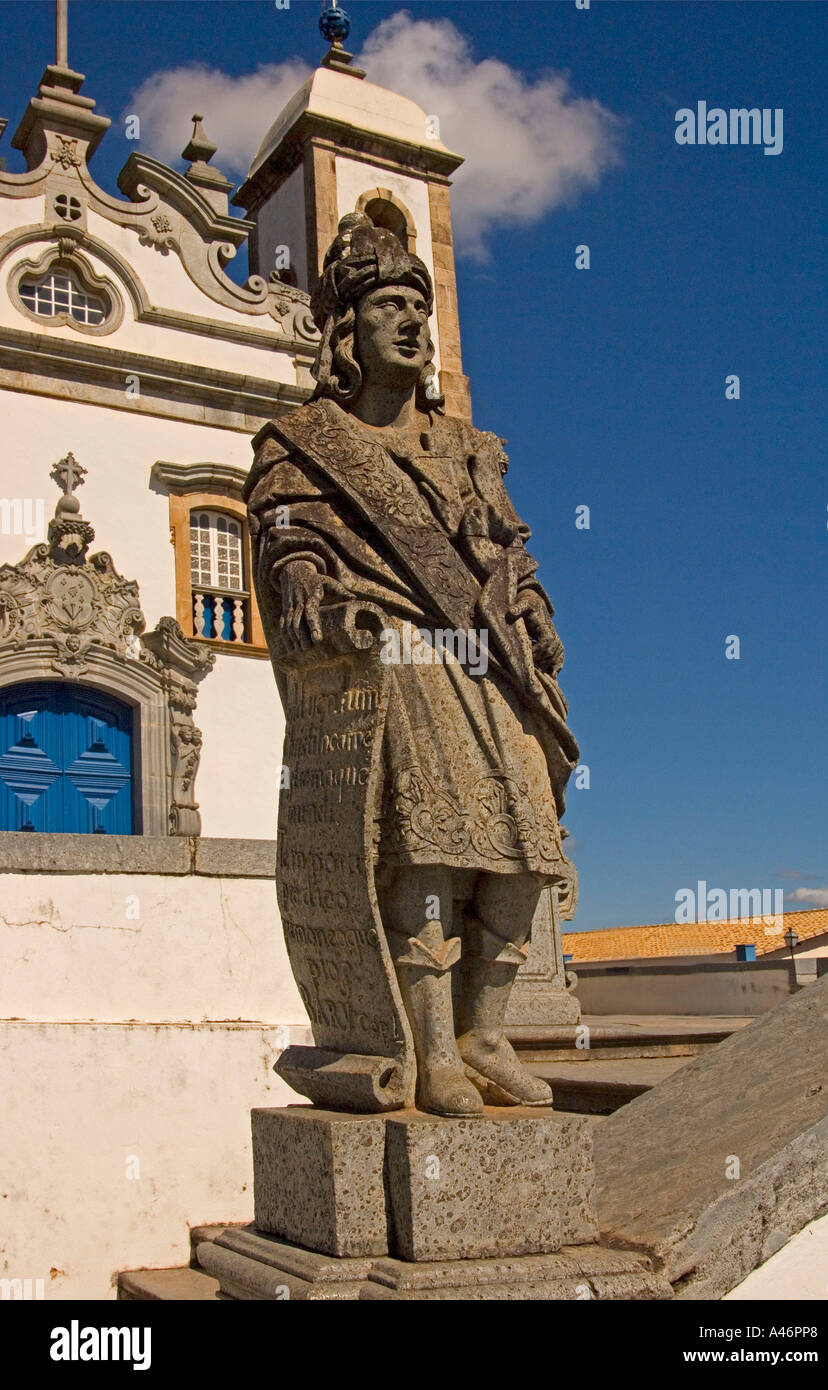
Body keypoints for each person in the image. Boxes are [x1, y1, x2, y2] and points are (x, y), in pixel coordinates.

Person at [246, 214, 578, 1116]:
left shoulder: (470, 448)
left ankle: (487, 1032)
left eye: (420, 309)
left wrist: (535, 611)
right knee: (428, 851)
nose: (412, 326)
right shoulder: (302, 441)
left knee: (520, 856)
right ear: (346, 330)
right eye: (389, 305)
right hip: (397, 657)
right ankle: (430, 1050)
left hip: (491, 664)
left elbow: (511, 549)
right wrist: (311, 583)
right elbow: (286, 535)